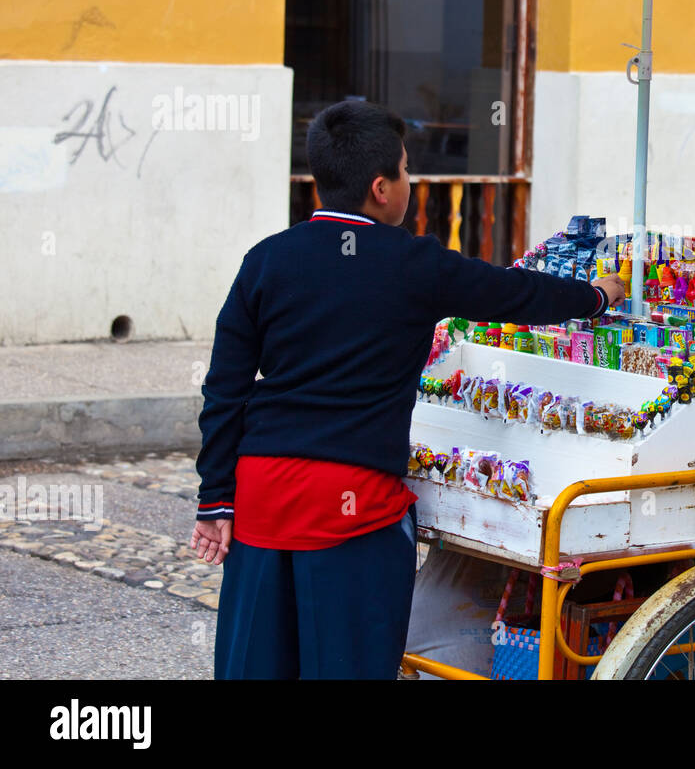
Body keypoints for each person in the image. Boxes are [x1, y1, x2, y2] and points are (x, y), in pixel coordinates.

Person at [189, 100, 626, 679]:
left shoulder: (266, 260)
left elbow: (224, 390)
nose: (409, 183)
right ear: (381, 188)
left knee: (260, 663)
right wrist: (598, 294)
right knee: (347, 662)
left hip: (262, 493)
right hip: (351, 501)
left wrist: (216, 499)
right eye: (404, 170)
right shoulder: (414, 264)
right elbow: (517, 295)